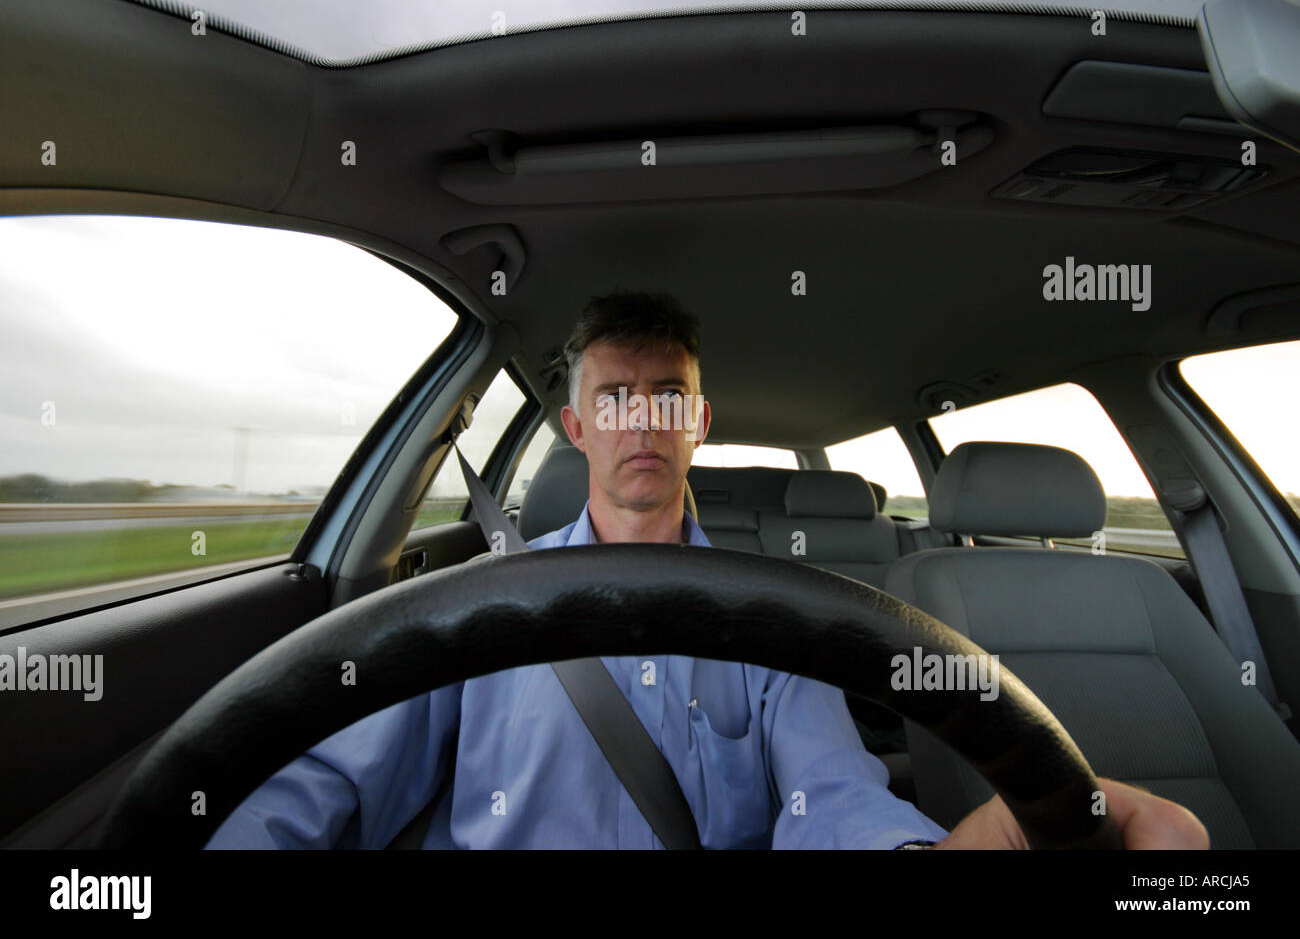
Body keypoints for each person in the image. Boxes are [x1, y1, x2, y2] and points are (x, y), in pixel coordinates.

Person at [206, 292, 1207, 850]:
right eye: (616, 397)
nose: (643, 421)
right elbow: (323, 779)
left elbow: (831, 795)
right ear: (575, 425)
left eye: (669, 397)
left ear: (699, 423)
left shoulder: (780, 624)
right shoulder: (473, 611)